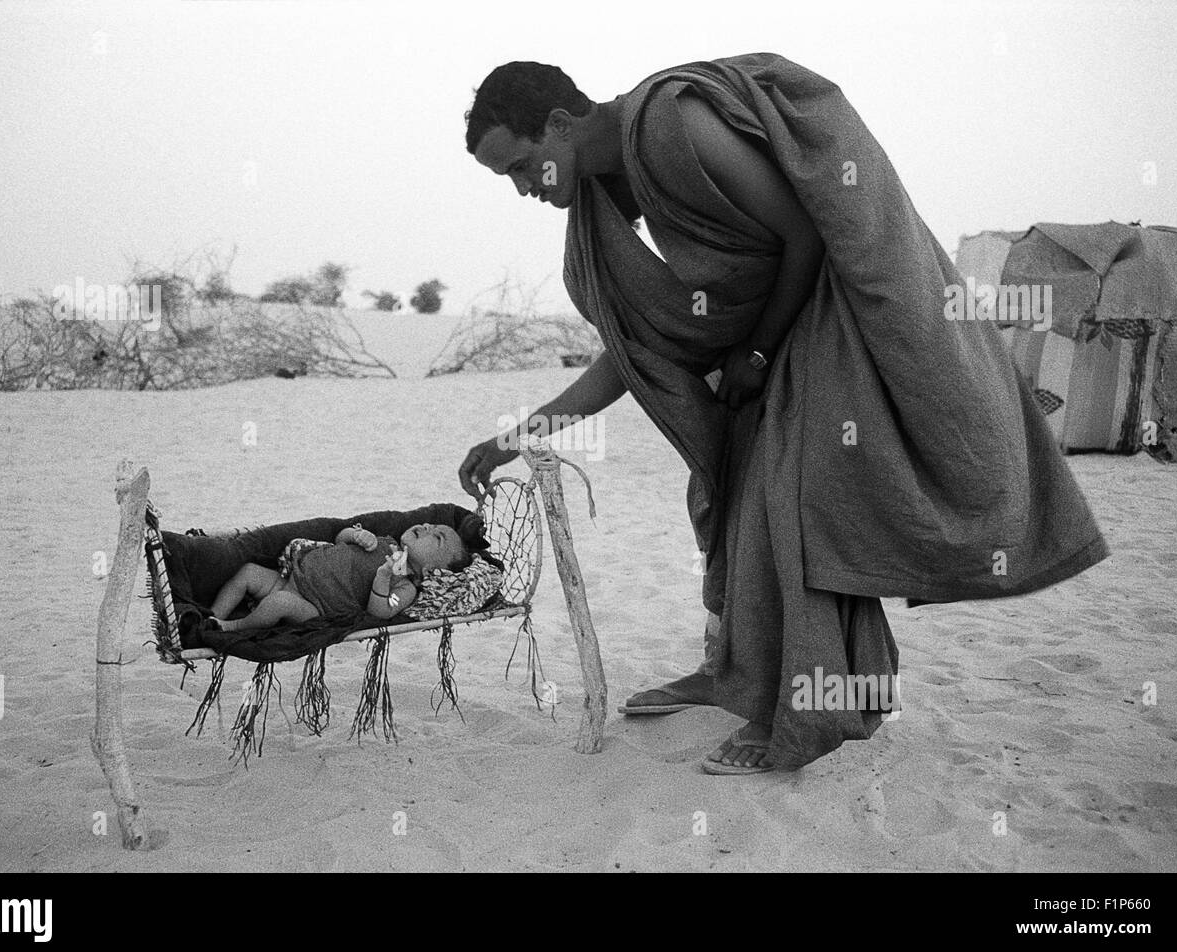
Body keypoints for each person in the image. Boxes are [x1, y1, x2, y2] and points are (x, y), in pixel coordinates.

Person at [457, 54, 1108, 774]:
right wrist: (520, 434)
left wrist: (760, 355)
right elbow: (632, 346)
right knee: (731, 500)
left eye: (520, 167)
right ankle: (730, 671)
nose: (523, 189)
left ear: (558, 122)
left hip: (826, 307)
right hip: (765, 333)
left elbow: (805, 232)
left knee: (794, 504)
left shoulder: (675, 122)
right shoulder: (605, 196)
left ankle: (812, 713)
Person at [200, 522, 468, 633]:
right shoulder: (383, 542)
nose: (427, 527)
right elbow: (338, 540)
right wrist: (354, 535)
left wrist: (383, 579)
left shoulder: (405, 586)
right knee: (248, 572)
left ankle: (230, 629)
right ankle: (210, 617)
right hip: (293, 576)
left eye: (437, 537)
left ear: (433, 571)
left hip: (314, 606)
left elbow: (381, 612)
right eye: (430, 524)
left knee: (279, 603)